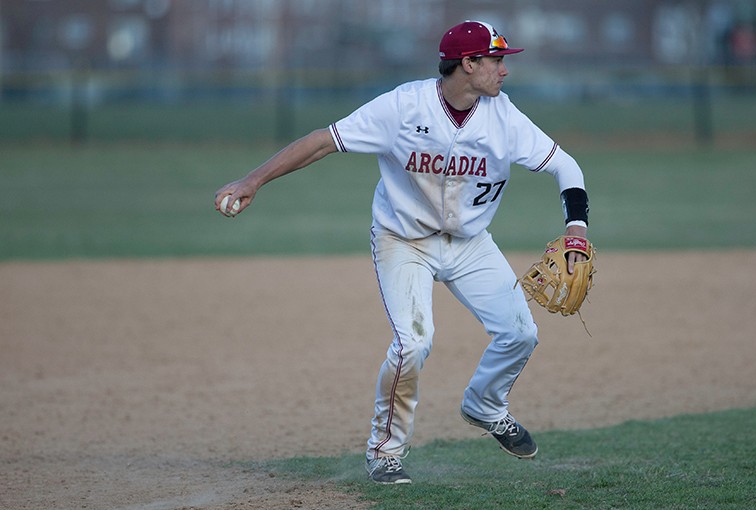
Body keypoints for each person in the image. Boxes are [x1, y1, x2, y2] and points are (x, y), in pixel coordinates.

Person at [214, 20, 590, 485]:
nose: (503, 70)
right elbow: (321, 142)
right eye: (495, 60)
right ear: (468, 64)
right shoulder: (403, 106)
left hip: (470, 243)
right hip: (403, 239)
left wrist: (576, 230)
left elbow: (564, 165)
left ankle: (485, 405)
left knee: (520, 334)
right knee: (414, 342)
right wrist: (252, 180)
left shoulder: (503, 116)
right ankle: (385, 451)